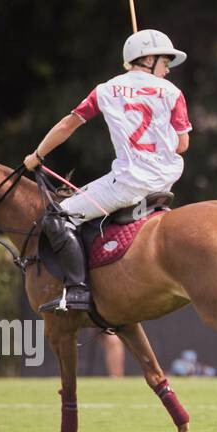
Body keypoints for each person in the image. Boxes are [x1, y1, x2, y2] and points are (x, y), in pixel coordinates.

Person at [23, 29, 192, 313]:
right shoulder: (173, 93)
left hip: (128, 183)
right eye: (165, 62)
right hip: (166, 181)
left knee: (56, 217)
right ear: (148, 59)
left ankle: (77, 290)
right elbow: (183, 144)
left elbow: (68, 124)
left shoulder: (106, 89)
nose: (167, 70)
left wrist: (37, 155)